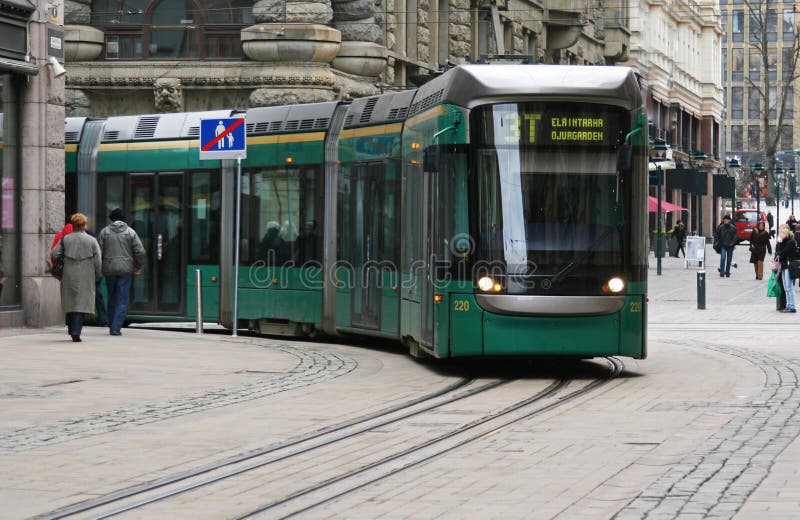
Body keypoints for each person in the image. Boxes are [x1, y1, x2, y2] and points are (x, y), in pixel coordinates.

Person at [50, 213, 102, 342]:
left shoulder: (65, 239)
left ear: (73, 225)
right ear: (84, 225)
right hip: (86, 274)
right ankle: (76, 333)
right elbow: (98, 260)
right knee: (81, 303)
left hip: (68, 273)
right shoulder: (91, 240)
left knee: (71, 301)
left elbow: (54, 254)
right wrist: (98, 273)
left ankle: (72, 329)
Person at [98, 208, 146, 336]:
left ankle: (111, 324)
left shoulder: (104, 232)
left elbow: (98, 252)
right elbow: (140, 251)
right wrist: (137, 266)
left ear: (111, 219)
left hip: (109, 269)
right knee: (122, 299)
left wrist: (99, 269)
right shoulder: (130, 232)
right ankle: (116, 327)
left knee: (112, 297)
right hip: (126, 270)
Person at [774, 224, 798, 313]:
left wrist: (780, 244)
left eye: (781, 234)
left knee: (789, 287)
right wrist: (779, 245)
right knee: (786, 287)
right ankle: (788, 305)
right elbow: (778, 253)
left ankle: (792, 306)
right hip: (784, 266)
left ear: (785, 234)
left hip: (789, 266)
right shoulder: (783, 243)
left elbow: (782, 253)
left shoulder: (790, 242)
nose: (780, 236)